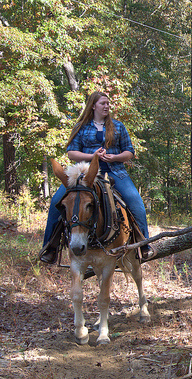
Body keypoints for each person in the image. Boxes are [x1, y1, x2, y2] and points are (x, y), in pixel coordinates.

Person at [39, 91, 152, 263]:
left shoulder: (118, 126)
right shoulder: (81, 127)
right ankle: (50, 247)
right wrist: (92, 156)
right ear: (93, 106)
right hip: (84, 173)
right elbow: (71, 153)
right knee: (57, 202)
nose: (106, 106)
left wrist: (115, 157)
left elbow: (129, 152)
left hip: (115, 171)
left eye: (108, 103)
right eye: (102, 103)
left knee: (135, 201)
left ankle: (144, 244)